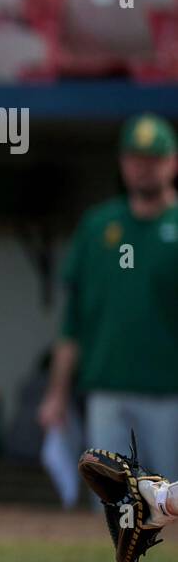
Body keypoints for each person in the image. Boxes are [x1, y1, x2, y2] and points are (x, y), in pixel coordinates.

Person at [39, 113, 178, 479]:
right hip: (106, 392)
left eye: (153, 159)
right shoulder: (98, 226)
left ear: (172, 161)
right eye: (136, 159)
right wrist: (57, 393)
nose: (144, 169)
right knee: (114, 507)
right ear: (123, 163)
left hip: (170, 395)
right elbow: (74, 322)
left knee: (172, 503)